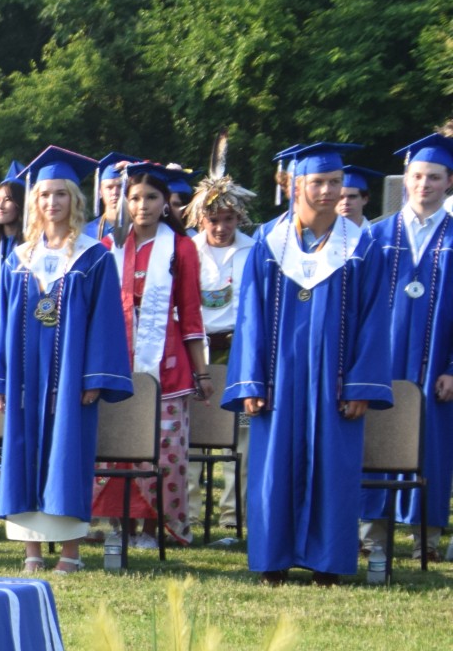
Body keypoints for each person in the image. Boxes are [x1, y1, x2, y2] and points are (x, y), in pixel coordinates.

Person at [223, 142, 391, 585]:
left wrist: (360, 385)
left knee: (332, 468)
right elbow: (251, 315)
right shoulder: (268, 243)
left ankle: (328, 563)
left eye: (335, 182)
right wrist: (250, 381)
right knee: (272, 468)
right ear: (295, 185)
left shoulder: (361, 245)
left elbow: (375, 319)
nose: (327, 190)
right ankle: (271, 559)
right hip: (277, 381)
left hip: (334, 383)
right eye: (317, 182)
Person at [0, 146, 134, 574]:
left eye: (60, 194)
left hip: (71, 378)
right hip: (26, 376)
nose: (52, 202)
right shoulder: (19, 259)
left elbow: (105, 321)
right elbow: (3, 324)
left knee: (67, 456)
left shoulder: (92, 256)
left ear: (74, 200)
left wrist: (94, 377)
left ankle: (70, 553)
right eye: (44, 195)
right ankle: (30, 552)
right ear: (36, 202)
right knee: (23, 456)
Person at [90, 163, 209, 549]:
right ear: (124, 201)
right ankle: (119, 524)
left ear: (165, 204)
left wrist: (202, 372)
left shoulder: (182, 247)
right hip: (117, 362)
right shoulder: (108, 247)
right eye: (135, 197)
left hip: (168, 365)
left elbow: (191, 312)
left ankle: (155, 528)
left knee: (165, 449)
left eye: (152, 198)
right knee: (116, 447)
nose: (142, 205)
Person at [359, 134, 453, 561]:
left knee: (432, 444)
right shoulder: (376, 235)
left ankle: (427, 539)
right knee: (377, 434)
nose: (424, 184)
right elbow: (357, 309)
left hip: (438, 362)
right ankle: (372, 534)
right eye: (417, 175)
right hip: (383, 359)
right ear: (406, 179)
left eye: (434, 177)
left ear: (449, 182)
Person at [185, 153, 257, 530]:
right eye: (214, 220)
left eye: (228, 219)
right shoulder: (187, 252)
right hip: (198, 349)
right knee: (195, 432)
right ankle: (190, 513)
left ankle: (234, 515)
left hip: (239, 350)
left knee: (241, 432)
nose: (221, 227)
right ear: (201, 219)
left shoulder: (254, 250)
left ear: (238, 218)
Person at [85, 153, 135, 242]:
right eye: (109, 187)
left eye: (120, 186)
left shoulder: (140, 228)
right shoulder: (86, 232)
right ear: (100, 192)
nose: (115, 192)